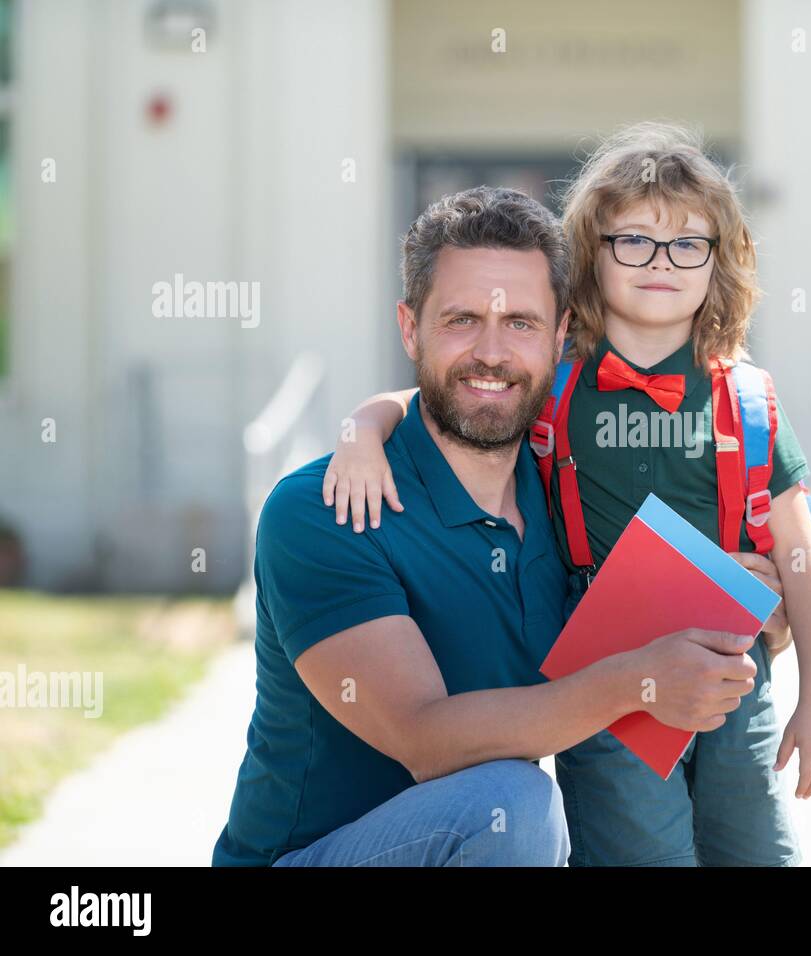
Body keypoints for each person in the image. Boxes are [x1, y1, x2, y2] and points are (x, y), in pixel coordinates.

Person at [326, 122, 811, 867]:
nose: (660, 262)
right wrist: (359, 429)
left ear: (718, 261)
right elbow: (438, 397)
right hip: (607, 677)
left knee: (756, 849)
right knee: (639, 851)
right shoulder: (556, 384)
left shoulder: (749, 398)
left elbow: (802, 552)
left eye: (686, 244)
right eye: (632, 241)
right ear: (590, 259)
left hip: (737, 667)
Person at [212, 185, 776, 866]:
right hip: (317, 855)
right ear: (409, 327)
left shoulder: (566, 494)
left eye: (521, 324)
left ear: (561, 334)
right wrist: (635, 681)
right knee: (513, 805)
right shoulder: (326, 509)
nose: (491, 353)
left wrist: (739, 611)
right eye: (461, 320)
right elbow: (426, 741)